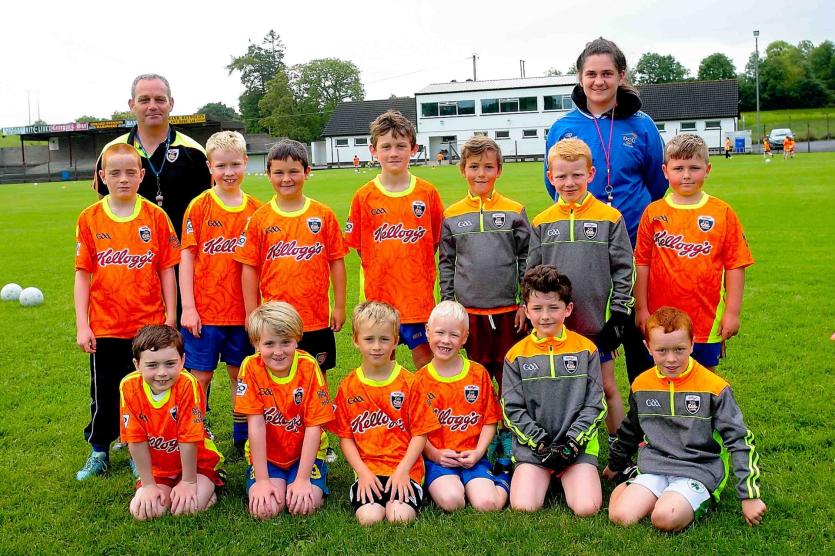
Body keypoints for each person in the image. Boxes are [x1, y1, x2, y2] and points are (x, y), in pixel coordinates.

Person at [544, 37, 667, 383]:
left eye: (607, 73)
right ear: (580, 77)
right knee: (589, 331)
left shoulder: (641, 125)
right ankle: (590, 413)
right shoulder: (562, 128)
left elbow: (656, 184)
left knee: (638, 331)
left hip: (636, 243)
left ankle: (644, 418)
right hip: (585, 248)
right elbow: (552, 184)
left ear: (621, 76)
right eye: (591, 73)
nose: (599, 81)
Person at [604, 307, 766, 531]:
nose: (671, 359)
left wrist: (749, 496)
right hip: (655, 467)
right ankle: (637, 484)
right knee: (621, 516)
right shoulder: (642, 384)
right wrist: (616, 463)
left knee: (664, 519)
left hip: (698, 469)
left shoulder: (714, 388)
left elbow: (739, 440)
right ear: (648, 348)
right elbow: (632, 427)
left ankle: (687, 498)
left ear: (691, 344)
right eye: (662, 350)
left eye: (679, 349)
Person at [74, 143, 180, 480]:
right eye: (115, 173)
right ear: (103, 176)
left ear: (141, 175)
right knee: (104, 393)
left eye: (130, 172)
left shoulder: (155, 216)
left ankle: (141, 449)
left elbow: (167, 269)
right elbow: (82, 274)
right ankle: (99, 450)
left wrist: (171, 316)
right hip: (105, 325)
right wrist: (82, 325)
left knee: (146, 389)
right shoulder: (89, 218)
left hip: (147, 326)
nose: (123, 179)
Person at [528, 138, 631, 437]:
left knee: (607, 386)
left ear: (591, 174)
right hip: (554, 324)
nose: (569, 182)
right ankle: (559, 444)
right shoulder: (542, 222)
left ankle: (619, 452)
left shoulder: (610, 218)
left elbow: (625, 269)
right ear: (550, 177)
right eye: (561, 176)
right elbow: (531, 274)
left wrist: (620, 314)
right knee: (560, 389)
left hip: (596, 325)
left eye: (576, 174)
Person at [438, 135, 529, 465]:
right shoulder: (452, 215)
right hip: (469, 316)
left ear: (499, 170)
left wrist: (524, 303)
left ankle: (511, 435)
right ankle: (478, 434)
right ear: (462, 170)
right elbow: (446, 262)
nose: (481, 173)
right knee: (474, 380)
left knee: (509, 380)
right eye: (474, 167)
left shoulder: (514, 211)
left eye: (488, 167)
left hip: (507, 313)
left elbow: (527, 258)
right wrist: (449, 304)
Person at [634, 134, 754, 371]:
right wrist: (641, 309)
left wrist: (732, 313)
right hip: (661, 319)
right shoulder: (653, 213)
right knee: (663, 379)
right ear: (665, 171)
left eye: (694, 168)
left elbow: (735, 265)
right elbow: (641, 263)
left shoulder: (722, 212)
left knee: (703, 381)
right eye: (678, 168)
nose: (686, 175)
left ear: (707, 169)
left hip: (706, 319)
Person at [235, 139, 347, 373]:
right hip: (275, 318)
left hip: (315, 317)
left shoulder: (323, 215)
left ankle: (318, 412)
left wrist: (339, 306)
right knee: (276, 374)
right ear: (268, 175)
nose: (286, 179)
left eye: (294, 171)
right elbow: (249, 268)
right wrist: (250, 313)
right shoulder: (260, 219)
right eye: (279, 172)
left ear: (307, 172)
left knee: (317, 375)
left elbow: (336, 261)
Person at [179, 131, 261, 452]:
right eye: (221, 165)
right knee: (200, 376)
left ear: (245, 163)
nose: (229, 172)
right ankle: (197, 432)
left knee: (240, 376)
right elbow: (186, 257)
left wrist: (257, 311)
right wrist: (188, 307)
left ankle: (242, 439)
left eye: (235, 164)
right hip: (205, 312)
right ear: (209, 167)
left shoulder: (256, 209)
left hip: (242, 313)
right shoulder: (199, 207)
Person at [501, 265, 606, 515]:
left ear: (568, 309)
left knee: (587, 508)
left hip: (576, 448)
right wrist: (540, 444)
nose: (545, 316)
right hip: (536, 449)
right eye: (537, 309)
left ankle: (571, 477)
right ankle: (542, 477)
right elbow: (511, 410)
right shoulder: (516, 356)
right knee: (524, 506)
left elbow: (595, 404)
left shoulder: (586, 350)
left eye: (553, 307)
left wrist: (572, 443)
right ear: (526, 310)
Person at [344, 110, 444, 369]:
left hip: (417, 297)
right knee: (382, 358)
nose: (393, 153)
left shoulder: (427, 193)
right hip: (378, 296)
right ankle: (388, 407)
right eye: (386, 146)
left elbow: (435, 241)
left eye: (401, 146)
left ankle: (425, 407)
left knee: (424, 356)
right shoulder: (364, 196)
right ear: (373, 151)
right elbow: (359, 247)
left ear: (413, 149)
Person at [331, 301, 441, 525]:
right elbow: (346, 438)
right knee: (369, 518)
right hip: (369, 469)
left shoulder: (409, 382)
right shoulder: (348, 386)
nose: (376, 346)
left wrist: (402, 472)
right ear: (355, 341)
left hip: (405, 468)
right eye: (369, 339)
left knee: (400, 516)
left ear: (396, 341)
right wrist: (362, 473)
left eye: (384, 339)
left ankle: (409, 489)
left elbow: (420, 434)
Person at [234, 302, 335, 519]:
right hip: (268, 456)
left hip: (304, 455)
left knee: (302, 506)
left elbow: (313, 426)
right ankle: (268, 478)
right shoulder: (250, 367)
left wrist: (302, 480)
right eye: (269, 344)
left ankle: (306, 477)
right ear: (256, 343)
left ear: (297, 339)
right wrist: (262, 481)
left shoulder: (308, 366)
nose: (278, 352)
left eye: (286, 342)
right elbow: (256, 425)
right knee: (266, 509)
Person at [119, 325, 224, 520]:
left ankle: (208, 486)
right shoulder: (128, 386)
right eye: (152, 365)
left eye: (170, 363)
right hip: (160, 468)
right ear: (137, 364)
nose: (162, 372)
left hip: (197, 464)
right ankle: (167, 487)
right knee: (143, 511)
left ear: (182, 361)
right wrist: (148, 484)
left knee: (186, 509)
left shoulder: (188, 384)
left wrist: (188, 482)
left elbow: (188, 438)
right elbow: (136, 440)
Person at [416, 301, 509, 512]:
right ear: (428, 332)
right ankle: (451, 484)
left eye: (454, 335)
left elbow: (490, 420)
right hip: (438, 460)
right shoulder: (419, 381)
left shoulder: (478, 374)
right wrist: (434, 454)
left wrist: (478, 452)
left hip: (473, 458)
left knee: (487, 504)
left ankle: (504, 474)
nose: (446, 341)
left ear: (465, 337)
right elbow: (416, 430)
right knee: (452, 501)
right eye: (439, 332)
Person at [93, 74, 211, 239]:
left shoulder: (195, 153)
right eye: (144, 100)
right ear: (132, 104)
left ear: (171, 103)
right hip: (132, 257)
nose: (153, 106)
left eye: (160, 99)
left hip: (182, 258)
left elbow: (208, 211)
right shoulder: (111, 152)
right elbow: (105, 206)